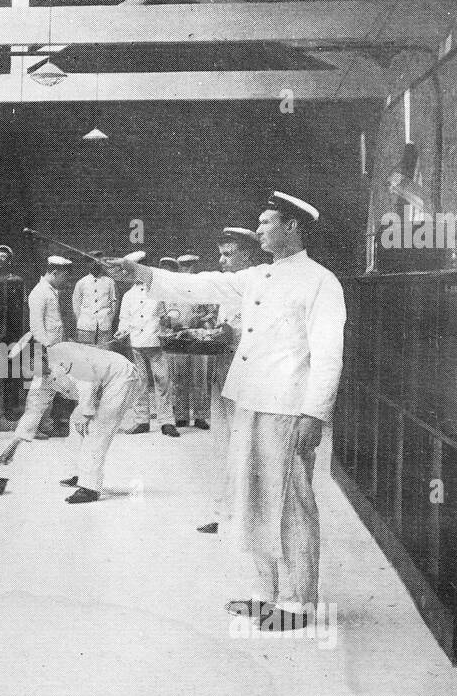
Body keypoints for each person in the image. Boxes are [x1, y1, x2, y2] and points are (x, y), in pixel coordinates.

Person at [105, 192, 345, 631]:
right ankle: (265, 594)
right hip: (250, 400)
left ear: (292, 226)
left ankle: (298, 603)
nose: (258, 230)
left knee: (290, 503)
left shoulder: (321, 282)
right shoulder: (257, 276)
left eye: (267, 222)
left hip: (288, 406)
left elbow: (329, 355)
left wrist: (315, 414)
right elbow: (201, 284)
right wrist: (139, 273)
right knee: (251, 500)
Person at [192, 228, 267, 534]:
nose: (221, 260)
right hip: (223, 367)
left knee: (245, 446)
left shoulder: (260, 283)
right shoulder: (229, 285)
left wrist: (230, 334)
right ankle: (224, 514)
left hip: (248, 375)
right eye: (220, 254)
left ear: (247, 255)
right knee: (222, 443)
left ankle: (245, 517)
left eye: (228, 254)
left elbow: (259, 331)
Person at [0, 341, 139, 504]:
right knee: (75, 423)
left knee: (97, 427)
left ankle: (90, 487)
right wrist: (15, 443)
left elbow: (88, 382)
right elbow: (34, 409)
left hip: (119, 377)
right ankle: (81, 474)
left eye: (27, 365)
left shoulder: (64, 353)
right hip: (100, 385)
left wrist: (86, 413)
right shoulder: (41, 375)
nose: (26, 371)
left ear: (39, 356)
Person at [14, 255, 73, 441]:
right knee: (39, 390)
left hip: (53, 347)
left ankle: (44, 426)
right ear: (54, 273)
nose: (66, 281)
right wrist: (48, 348)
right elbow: (36, 326)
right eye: (64, 276)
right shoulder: (39, 292)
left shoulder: (50, 290)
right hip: (43, 347)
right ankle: (30, 428)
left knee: (49, 387)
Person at [115, 276, 179, 438]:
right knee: (140, 382)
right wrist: (122, 331)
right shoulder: (128, 295)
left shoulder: (158, 291)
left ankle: (167, 421)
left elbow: (170, 314)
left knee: (163, 380)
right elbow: (124, 318)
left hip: (155, 340)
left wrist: (167, 322)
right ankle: (142, 420)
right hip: (136, 341)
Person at [168, 253, 214, 431]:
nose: (188, 270)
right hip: (179, 335)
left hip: (198, 336)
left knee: (200, 377)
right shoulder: (174, 289)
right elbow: (169, 311)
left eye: (191, 266)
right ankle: (181, 415)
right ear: (180, 268)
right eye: (184, 267)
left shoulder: (204, 288)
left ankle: (201, 416)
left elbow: (212, 311)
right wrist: (174, 322)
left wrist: (201, 318)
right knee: (178, 376)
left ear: (195, 267)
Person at [72, 260, 117, 345]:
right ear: (88, 264)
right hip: (85, 326)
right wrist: (82, 320)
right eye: (92, 261)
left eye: (98, 262)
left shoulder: (110, 282)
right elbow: (76, 304)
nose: (95, 264)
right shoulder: (82, 282)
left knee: (104, 353)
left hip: (104, 326)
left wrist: (108, 320)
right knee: (85, 353)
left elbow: (114, 304)